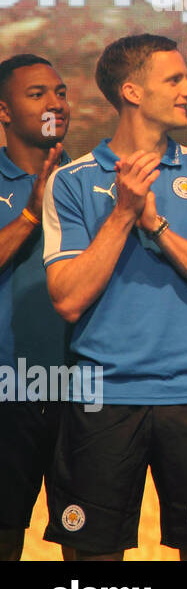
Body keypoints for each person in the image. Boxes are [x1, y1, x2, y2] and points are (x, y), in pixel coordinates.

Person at [42, 34, 187, 560]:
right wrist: (122, 215)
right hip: (103, 401)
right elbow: (67, 299)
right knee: (93, 560)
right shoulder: (72, 181)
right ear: (132, 91)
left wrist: (156, 225)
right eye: (175, 79)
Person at [0, 55, 69, 561]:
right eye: (38, 93)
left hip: (84, 390)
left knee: (89, 542)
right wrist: (30, 210)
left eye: (61, 92)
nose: (55, 103)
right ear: (3, 111)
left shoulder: (89, 182)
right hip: (7, 390)